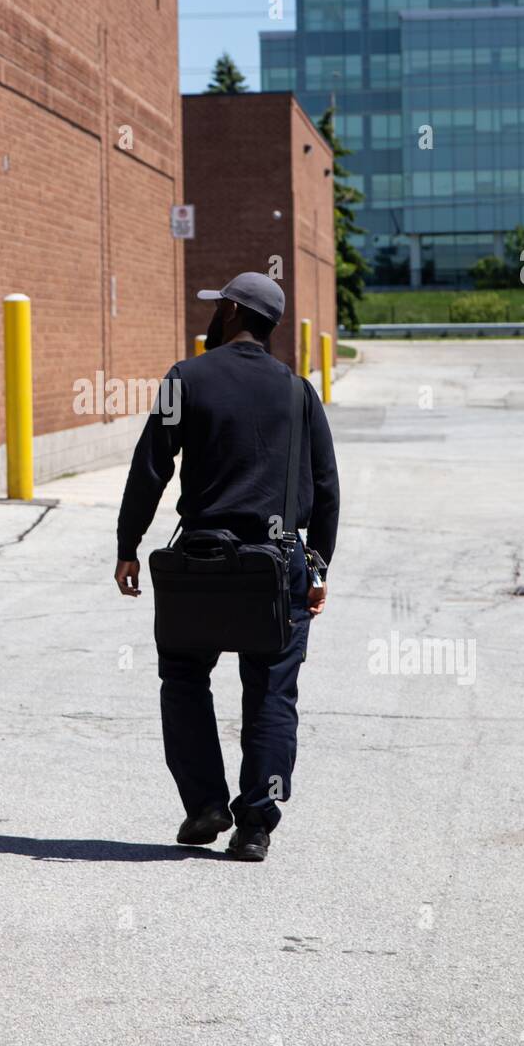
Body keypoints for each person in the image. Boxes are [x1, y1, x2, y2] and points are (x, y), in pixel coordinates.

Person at [115, 272, 340, 862]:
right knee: (271, 692)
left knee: (184, 678)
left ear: (234, 311)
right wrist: (317, 568)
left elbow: (150, 469)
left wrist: (128, 546)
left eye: (220, 307)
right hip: (276, 566)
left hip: (201, 565)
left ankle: (205, 805)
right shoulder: (298, 391)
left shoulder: (184, 378)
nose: (214, 316)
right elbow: (326, 488)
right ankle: (256, 826)